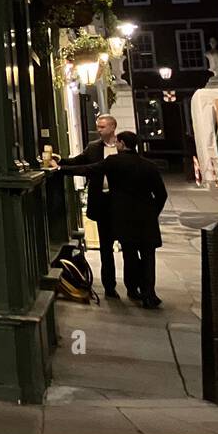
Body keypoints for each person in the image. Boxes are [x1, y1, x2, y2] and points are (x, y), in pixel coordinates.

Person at [64, 131, 168, 309]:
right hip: (147, 217)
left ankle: (133, 288)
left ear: (121, 143)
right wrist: (153, 212)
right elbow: (161, 194)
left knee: (130, 253)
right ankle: (149, 292)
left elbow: (88, 169)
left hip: (124, 215)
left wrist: (61, 170)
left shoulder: (114, 162)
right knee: (149, 256)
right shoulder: (149, 166)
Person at [57, 113, 122, 298]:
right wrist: (59, 161)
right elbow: (78, 161)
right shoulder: (93, 148)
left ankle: (133, 286)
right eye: (98, 126)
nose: (99, 130)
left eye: (102, 127)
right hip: (102, 202)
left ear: (112, 127)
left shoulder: (122, 146)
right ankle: (110, 286)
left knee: (129, 247)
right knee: (105, 247)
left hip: (121, 202)